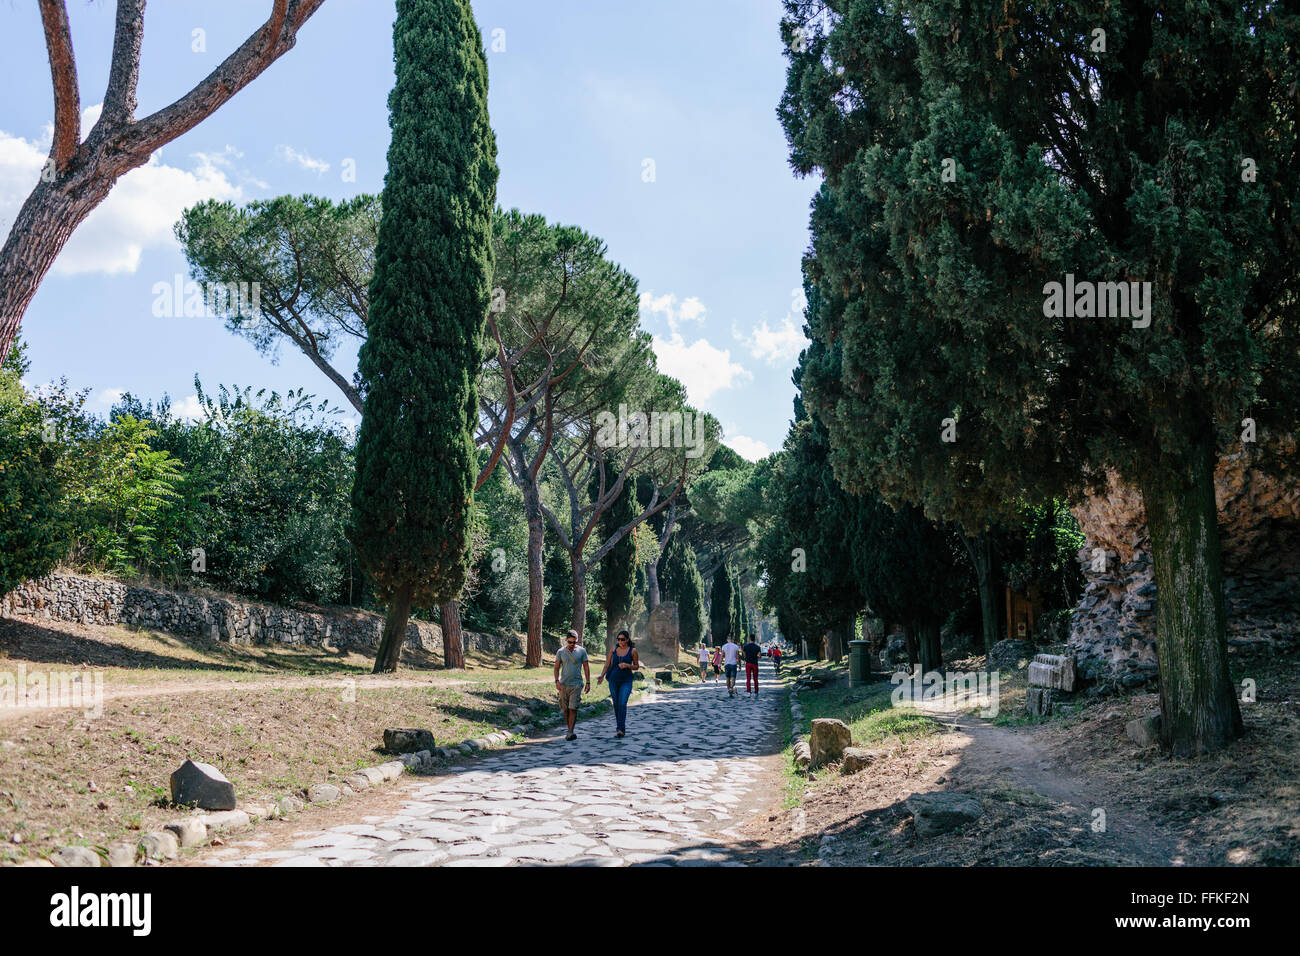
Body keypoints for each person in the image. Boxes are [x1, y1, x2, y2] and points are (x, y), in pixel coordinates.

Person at [597, 629, 639, 738]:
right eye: (619, 639)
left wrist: (627, 665)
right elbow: (607, 664)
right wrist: (601, 676)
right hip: (613, 680)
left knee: (622, 703)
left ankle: (620, 729)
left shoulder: (633, 651)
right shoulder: (613, 649)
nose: (620, 641)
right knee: (616, 704)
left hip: (626, 680)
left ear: (627, 639)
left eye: (622, 639)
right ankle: (619, 727)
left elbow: (636, 666)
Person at [553, 628, 590, 741]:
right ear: (566, 640)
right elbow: (556, 668)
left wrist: (588, 682)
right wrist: (556, 681)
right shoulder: (560, 652)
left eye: (574, 642)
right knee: (565, 709)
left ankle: (570, 731)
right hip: (564, 684)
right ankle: (569, 730)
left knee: (573, 708)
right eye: (570, 642)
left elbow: (586, 666)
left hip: (577, 684)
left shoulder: (582, 651)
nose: (572, 644)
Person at [721, 633, 741, 698]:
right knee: (733, 679)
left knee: (727, 679)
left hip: (727, 664)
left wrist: (719, 664)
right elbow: (737, 657)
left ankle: (729, 691)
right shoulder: (736, 646)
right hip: (733, 664)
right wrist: (739, 665)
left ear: (727, 639)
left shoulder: (724, 646)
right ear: (732, 640)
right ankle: (731, 688)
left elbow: (722, 656)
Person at [742, 632, 762, 697]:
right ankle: (756, 692)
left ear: (749, 639)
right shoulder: (757, 647)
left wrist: (747, 657)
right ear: (754, 639)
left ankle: (748, 692)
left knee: (748, 678)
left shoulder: (745, 646)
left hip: (748, 663)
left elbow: (744, 656)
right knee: (755, 678)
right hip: (755, 664)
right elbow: (759, 656)